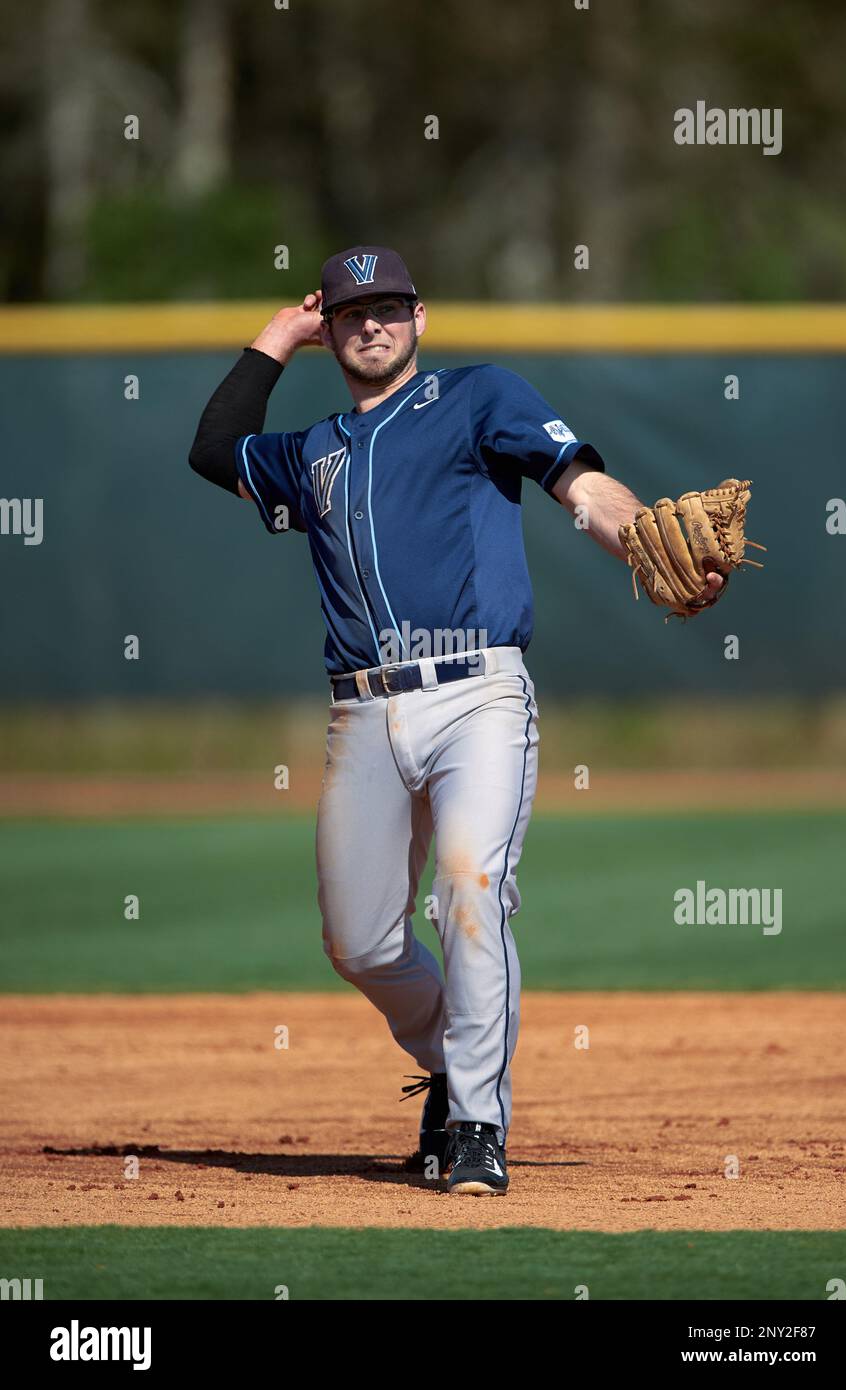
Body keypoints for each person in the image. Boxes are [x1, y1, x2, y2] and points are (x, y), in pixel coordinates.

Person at [189, 245, 722, 1196]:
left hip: (478, 694)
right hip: (360, 713)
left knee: (470, 887)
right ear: (332, 328)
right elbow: (213, 448)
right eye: (353, 313)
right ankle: (453, 1053)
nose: (373, 324)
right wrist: (280, 331)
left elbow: (578, 482)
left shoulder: (478, 398)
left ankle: (477, 1120)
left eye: (390, 307)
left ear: (420, 317)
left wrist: (638, 536)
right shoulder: (311, 453)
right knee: (358, 942)